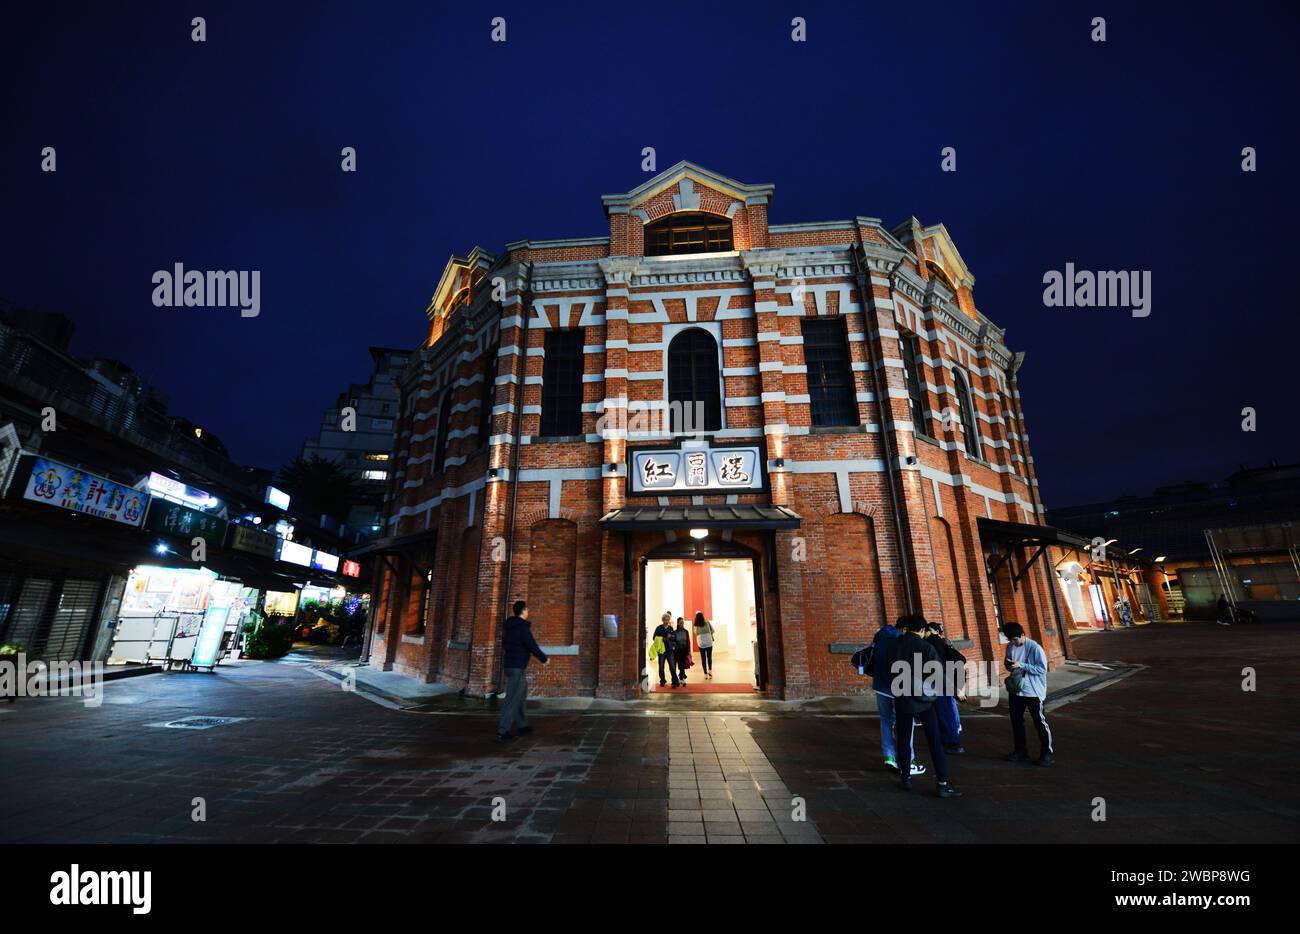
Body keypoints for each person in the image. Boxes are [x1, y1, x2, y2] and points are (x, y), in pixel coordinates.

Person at [886, 614, 961, 797]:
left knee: (903, 738)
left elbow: (888, 669)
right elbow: (937, 674)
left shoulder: (895, 645)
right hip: (924, 701)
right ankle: (942, 783)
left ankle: (905, 778)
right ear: (922, 630)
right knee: (934, 741)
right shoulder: (925, 647)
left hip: (902, 697)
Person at [871, 617, 925, 777]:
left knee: (886, 722)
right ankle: (909, 760)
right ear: (904, 629)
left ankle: (889, 756)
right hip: (896, 688)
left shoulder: (880, 635)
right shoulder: (899, 640)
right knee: (905, 724)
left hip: (880, 686)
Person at [496, 600, 548, 743]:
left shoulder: (510, 627)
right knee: (512, 699)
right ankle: (502, 732)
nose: (528, 612)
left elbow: (506, 644)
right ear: (523, 610)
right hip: (517, 667)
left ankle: (522, 725)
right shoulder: (522, 628)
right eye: (527, 609)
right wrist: (544, 659)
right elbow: (531, 645)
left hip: (511, 665)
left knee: (520, 695)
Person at [1002, 622, 1053, 766]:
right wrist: (1009, 664)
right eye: (1010, 640)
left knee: (1039, 722)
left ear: (1023, 635)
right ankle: (1020, 751)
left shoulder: (1035, 648)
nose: (1013, 642)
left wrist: (1022, 665)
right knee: (1016, 722)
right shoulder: (1010, 646)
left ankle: (1047, 753)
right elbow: (1008, 665)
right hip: (1017, 691)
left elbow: (1042, 669)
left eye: (1015, 639)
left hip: (1033, 692)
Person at [924, 620, 966, 754]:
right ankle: (951, 740)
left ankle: (953, 743)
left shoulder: (932, 642)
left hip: (940, 682)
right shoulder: (940, 641)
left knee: (944, 713)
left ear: (929, 631)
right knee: (946, 711)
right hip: (944, 680)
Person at [652, 612, 679, 687]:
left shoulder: (671, 628)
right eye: (665, 620)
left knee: (672, 667)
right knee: (661, 667)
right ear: (662, 620)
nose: (666, 621)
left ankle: (674, 681)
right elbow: (654, 637)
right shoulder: (658, 628)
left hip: (669, 650)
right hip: (661, 651)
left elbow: (674, 638)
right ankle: (662, 680)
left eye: (668, 620)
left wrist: (671, 637)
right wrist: (663, 638)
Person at [694, 611, 715, 679]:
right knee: (709, 657)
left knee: (703, 658)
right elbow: (713, 630)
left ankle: (705, 674)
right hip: (709, 642)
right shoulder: (707, 622)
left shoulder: (696, 625)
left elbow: (696, 633)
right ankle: (710, 671)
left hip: (701, 643)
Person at [672, 616, 692, 685]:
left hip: (684, 651)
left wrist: (689, 651)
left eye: (682, 622)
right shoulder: (674, 632)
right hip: (677, 651)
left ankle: (682, 678)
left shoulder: (686, 632)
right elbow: (673, 641)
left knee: (682, 666)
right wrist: (674, 647)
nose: (682, 624)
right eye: (680, 622)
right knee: (675, 666)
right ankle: (675, 679)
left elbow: (688, 641)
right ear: (677, 623)